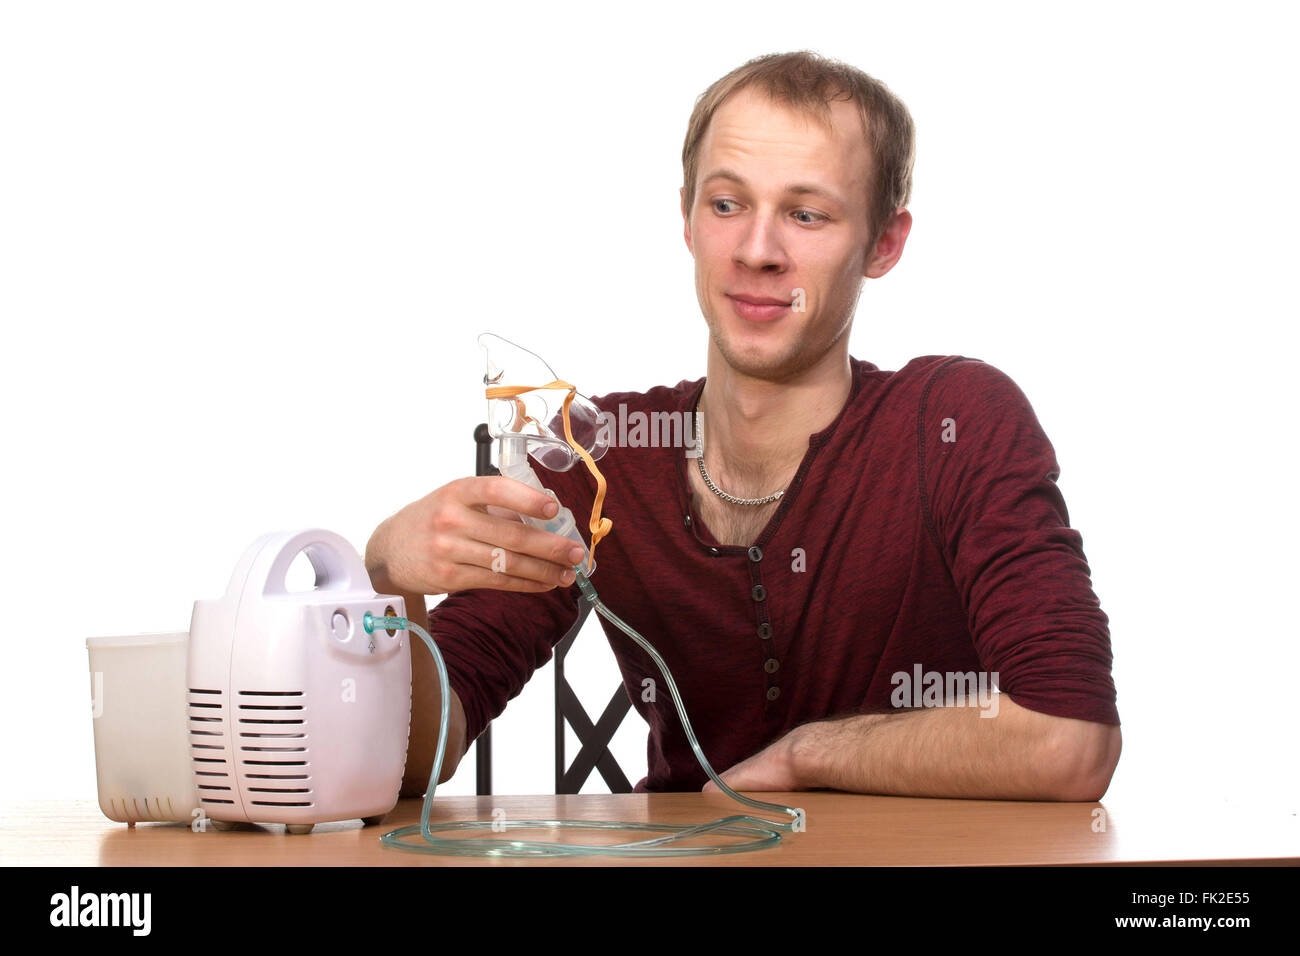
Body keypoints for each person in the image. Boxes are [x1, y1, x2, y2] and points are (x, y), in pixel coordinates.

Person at [365, 50, 1121, 800]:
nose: (757, 252)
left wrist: (810, 756)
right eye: (726, 204)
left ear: (884, 244)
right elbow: (414, 760)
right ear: (688, 220)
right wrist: (389, 586)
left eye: (806, 214)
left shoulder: (955, 421)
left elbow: (1069, 741)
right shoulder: (598, 461)